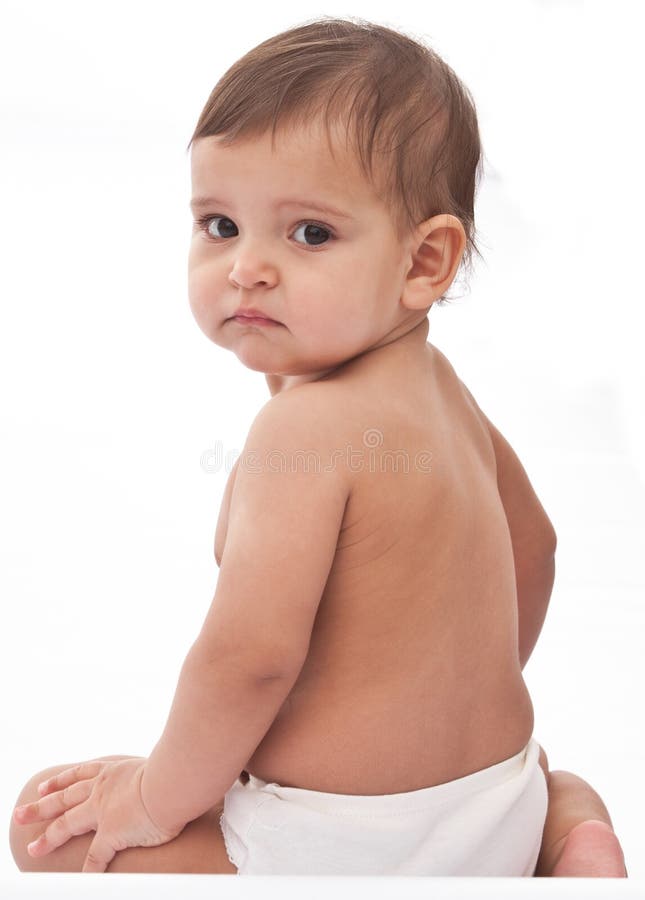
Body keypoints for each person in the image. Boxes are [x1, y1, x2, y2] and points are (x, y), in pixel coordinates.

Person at [10, 16, 627, 877]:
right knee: (564, 785)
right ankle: (564, 839)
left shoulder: (301, 431)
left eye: (308, 234)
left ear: (426, 262)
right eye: (219, 224)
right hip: (494, 803)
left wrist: (154, 796)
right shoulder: (444, 393)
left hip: (331, 846)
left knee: (49, 826)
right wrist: (443, 727)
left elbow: (249, 661)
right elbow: (537, 551)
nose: (246, 267)